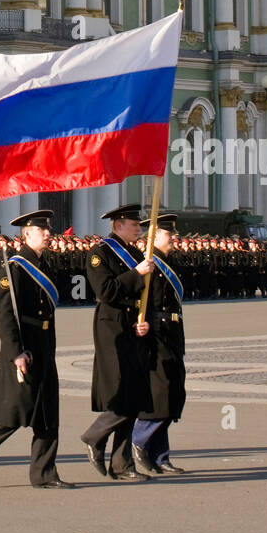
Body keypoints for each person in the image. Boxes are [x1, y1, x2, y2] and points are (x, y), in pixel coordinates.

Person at [0, 211, 73, 489]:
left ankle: (44, 474)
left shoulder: (44, 264)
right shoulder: (15, 267)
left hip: (44, 345)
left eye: (48, 230)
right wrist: (15, 351)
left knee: (48, 412)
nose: (49, 234)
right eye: (43, 231)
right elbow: (4, 313)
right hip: (24, 348)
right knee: (17, 410)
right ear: (27, 234)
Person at [81, 203, 153, 483]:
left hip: (133, 325)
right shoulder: (99, 253)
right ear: (118, 225)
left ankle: (122, 465)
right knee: (120, 389)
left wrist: (144, 318)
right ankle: (94, 435)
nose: (139, 229)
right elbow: (106, 290)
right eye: (135, 225)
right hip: (111, 326)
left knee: (134, 395)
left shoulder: (136, 252)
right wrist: (137, 273)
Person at [131, 214, 187, 476]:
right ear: (153, 237)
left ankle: (160, 455)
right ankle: (139, 439)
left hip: (173, 333)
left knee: (173, 392)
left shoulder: (168, 262)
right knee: (161, 393)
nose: (173, 238)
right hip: (157, 334)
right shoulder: (148, 264)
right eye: (168, 234)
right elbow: (137, 300)